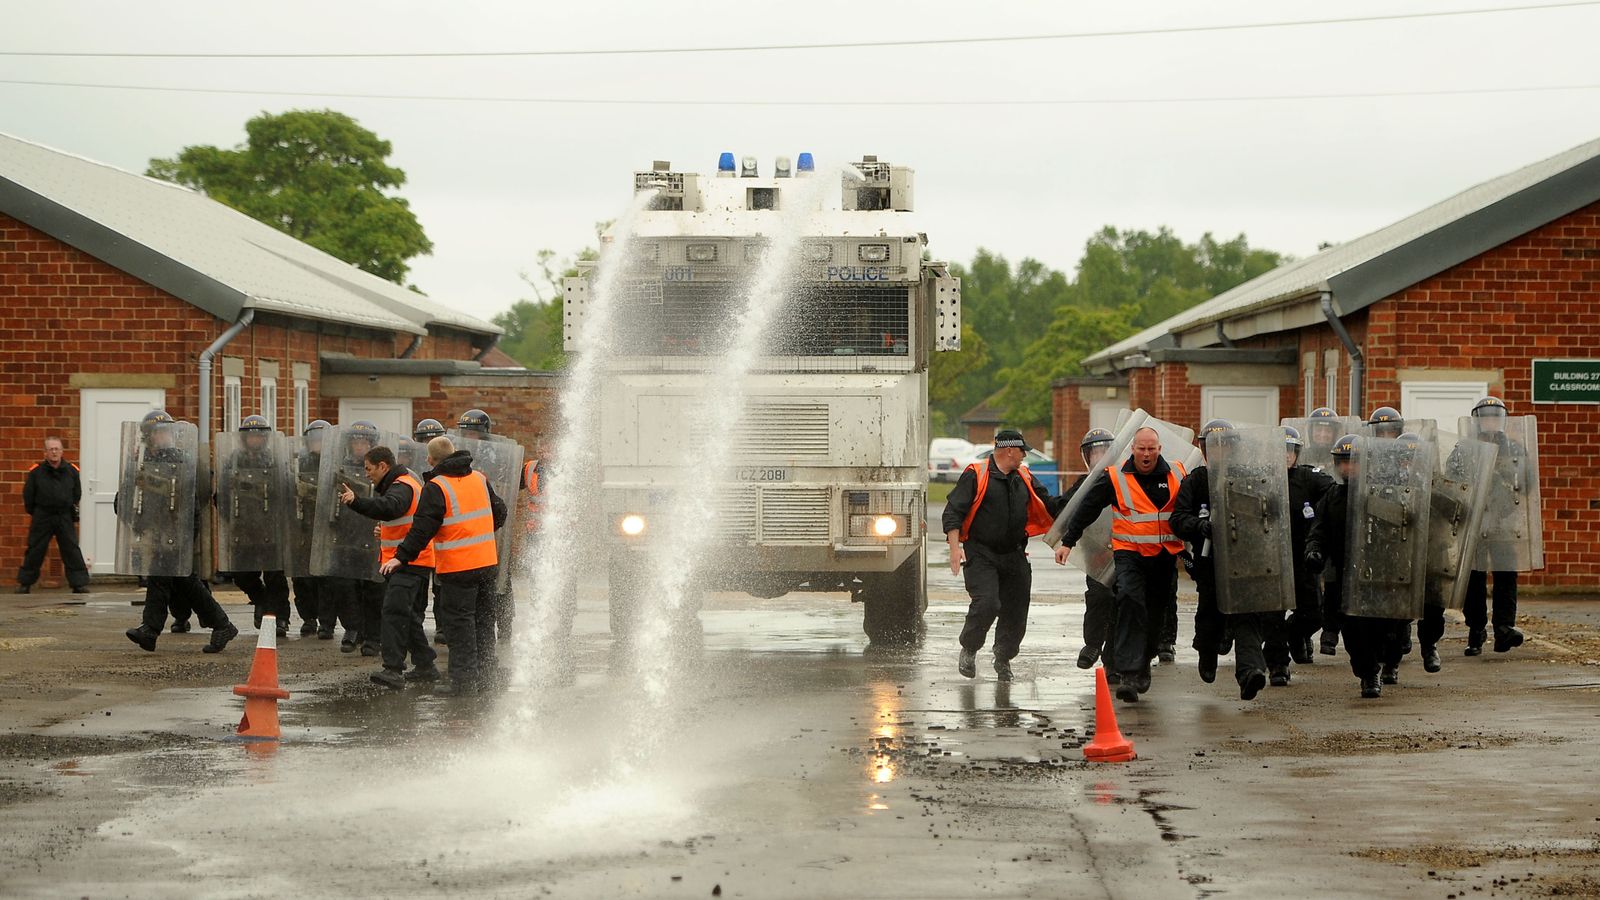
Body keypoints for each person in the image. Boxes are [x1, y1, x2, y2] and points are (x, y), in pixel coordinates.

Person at [1054, 425, 1188, 703]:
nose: (1147, 454)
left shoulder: (1178, 473)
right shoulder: (1115, 477)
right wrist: (1068, 541)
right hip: (1129, 555)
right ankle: (1127, 674)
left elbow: (1193, 508)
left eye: (1152, 449)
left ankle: (1142, 666)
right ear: (1133, 450)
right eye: (1142, 449)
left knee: (1154, 615)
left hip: (1163, 558)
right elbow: (1087, 509)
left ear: (1159, 450)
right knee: (1128, 600)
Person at [384, 435, 508, 695]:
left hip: (458, 567)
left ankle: (463, 682)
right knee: (484, 621)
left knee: (459, 624)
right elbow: (501, 512)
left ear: (430, 459)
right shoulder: (480, 478)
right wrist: (480, 533)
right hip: (487, 563)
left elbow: (422, 530)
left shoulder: (437, 487)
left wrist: (400, 557)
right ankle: (486, 677)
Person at [1170, 420, 1284, 699]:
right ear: (1205, 450)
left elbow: (1272, 510)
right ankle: (1207, 651)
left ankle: (1250, 673)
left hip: (1247, 560)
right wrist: (1199, 526)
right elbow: (1178, 519)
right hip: (1210, 562)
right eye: (1214, 448)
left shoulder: (1250, 477)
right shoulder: (1195, 481)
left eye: (1225, 447)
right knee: (1210, 614)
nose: (1220, 454)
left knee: (1247, 617)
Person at [943, 429, 1065, 682]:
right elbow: (953, 512)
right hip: (981, 553)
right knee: (987, 603)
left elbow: (1051, 504)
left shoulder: (1024, 476)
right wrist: (955, 549)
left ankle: (1003, 658)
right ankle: (970, 648)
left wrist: (1081, 497)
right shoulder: (976, 475)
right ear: (1010, 450)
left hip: (1014, 553)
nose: (1024, 456)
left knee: (1016, 610)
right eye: (1022, 451)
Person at [120, 410, 238, 654]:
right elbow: (125, 498)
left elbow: (195, 498)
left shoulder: (182, 461)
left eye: (165, 432)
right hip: (155, 531)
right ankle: (221, 624)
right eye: (157, 433)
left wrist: (186, 532)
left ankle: (150, 630)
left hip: (177, 529)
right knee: (184, 581)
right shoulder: (140, 463)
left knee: (162, 577)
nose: (161, 437)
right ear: (148, 437)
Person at [1307, 434, 1409, 698]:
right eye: (1342, 463)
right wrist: (1315, 551)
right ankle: (1368, 674)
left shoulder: (1384, 492)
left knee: (1388, 630)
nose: (1347, 468)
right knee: (1353, 631)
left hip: (1382, 574)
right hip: (1346, 575)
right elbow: (1319, 531)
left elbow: (1405, 525)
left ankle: (1389, 662)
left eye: (1352, 463)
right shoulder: (1332, 497)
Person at [339, 445, 440, 689]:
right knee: (406, 615)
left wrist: (356, 501)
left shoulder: (402, 485)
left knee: (394, 612)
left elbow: (390, 507)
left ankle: (393, 669)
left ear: (383, 466)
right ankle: (425, 664)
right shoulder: (402, 483)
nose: (366, 474)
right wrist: (383, 529)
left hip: (409, 561)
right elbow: (398, 517)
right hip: (406, 561)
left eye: (369, 469)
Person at [1462, 396, 1531, 656]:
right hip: (1475, 522)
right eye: (1486, 416)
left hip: (1503, 522)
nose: (1490, 420)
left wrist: (1507, 482)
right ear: (1477, 420)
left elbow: (1527, 483)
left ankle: (1504, 628)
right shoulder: (1466, 448)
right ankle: (1476, 629)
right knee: (1474, 578)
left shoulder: (1514, 449)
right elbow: (1452, 478)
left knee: (1506, 575)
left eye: (1495, 415)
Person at [217, 415, 291, 639]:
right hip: (243, 527)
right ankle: (261, 601)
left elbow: (286, 492)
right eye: (251, 436)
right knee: (242, 575)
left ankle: (280, 618)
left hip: (270, 527)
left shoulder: (275, 461)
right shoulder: (234, 461)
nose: (255, 440)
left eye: (259, 436)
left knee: (275, 577)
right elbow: (221, 495)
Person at [455, 408, 518, 646]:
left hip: (491, 522)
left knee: (501, 578)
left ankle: (504, 624)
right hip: (467, 524)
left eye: (474, 434)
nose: (469, 438)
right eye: (466, 433)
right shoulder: (458, 454)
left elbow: (504, 485)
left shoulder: (497, 455)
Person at [1064, 428, 1118, 671]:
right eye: (1094, 453)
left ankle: (1115, 658)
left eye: (1103, 451)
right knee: (1098, 597)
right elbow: (1063, 510)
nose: (1099, 457)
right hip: (1096, 552)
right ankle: (1093, 644)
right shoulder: (1083, 484)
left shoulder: (1123, 478)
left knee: (1123, 603)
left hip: (1127, 549)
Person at [1283, 426, 1336, 665]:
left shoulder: (1307, 476)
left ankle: (1294, 634)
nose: (1285, 455)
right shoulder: (1260, 478)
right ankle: (1282, 651)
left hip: (1304, 554)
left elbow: (1334, 490)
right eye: (1280, 450)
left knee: (1315, 613)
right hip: (1272, 555)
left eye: (1290, 450)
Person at [17, 436, 90, 594]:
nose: (54, 452)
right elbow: (28, 495)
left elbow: (77, 493)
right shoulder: (36, 472)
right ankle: (25, 583)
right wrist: (36, 512)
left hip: (64, 515)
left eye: (57, 449)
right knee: (35, 549)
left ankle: (79, 583)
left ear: (62, 451)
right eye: (51, 449)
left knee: (71, 549)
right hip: (43, 515)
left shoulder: (71, 471)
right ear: (45, 453)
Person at [288, 420, 330, 637]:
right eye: (314, 440)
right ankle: (308, 618)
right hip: (303, 527)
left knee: (325, 579)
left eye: (321, 440)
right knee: (302, 578)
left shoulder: (335, 463)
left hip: (327, 528)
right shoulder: (299, 464)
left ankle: (326, 622)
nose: (317, 444)